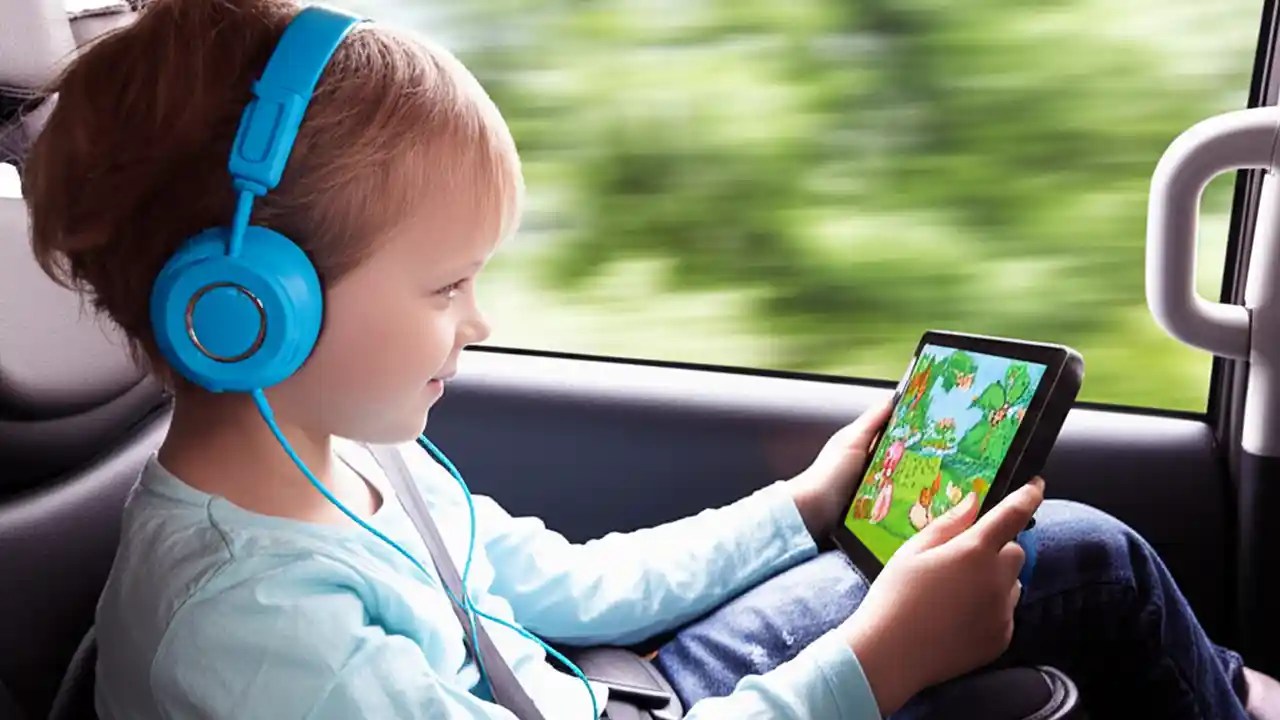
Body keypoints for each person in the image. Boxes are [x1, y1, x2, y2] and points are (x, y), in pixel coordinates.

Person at [20, 0, 1276, 717]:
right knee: (1085, 573)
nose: (480, 323)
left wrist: (800, 507)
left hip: (596, 689)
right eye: (447, 285)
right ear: (248, 310)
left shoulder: (346, 459)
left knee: (1063, 550)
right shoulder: (248, 635)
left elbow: (568, 588)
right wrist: (875, 662)